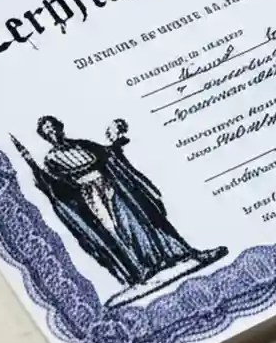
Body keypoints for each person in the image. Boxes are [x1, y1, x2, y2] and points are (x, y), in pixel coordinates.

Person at [13, 116, 224, 288]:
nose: (52, 132)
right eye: (47, 131)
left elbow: (107, 154)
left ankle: (177, 253)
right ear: (45, 136)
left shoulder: (82, 145)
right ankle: (142, 268)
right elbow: (59, 185)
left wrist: (116, 139)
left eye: (54, 127)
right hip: (90, 195)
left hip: (111, 186)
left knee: (138, 220)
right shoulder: (51, 159)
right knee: (115, 230)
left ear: (60, 127)